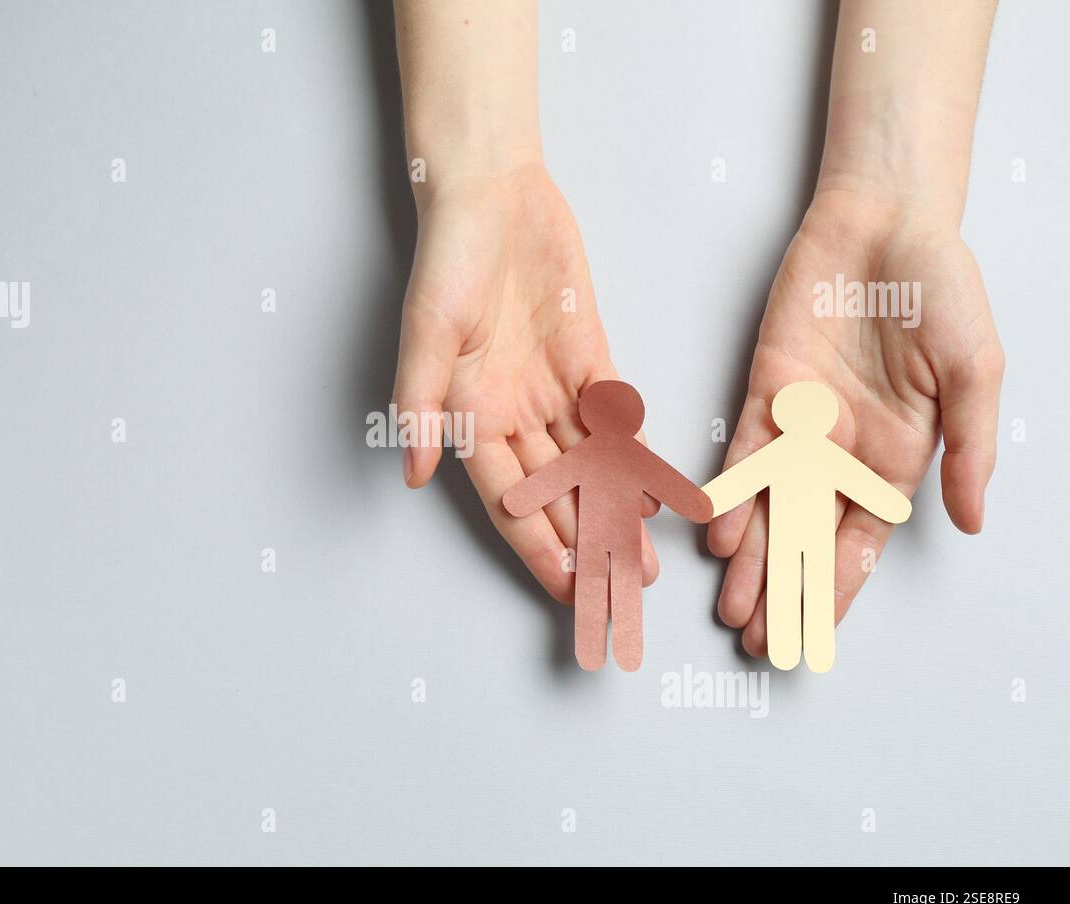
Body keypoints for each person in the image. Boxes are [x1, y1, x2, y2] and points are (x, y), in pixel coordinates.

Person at [390, 1, 1004, 661]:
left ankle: (616, 649)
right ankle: (621, 648)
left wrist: (896, 193)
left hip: (631, 515)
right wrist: (479, 169)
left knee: (624, 579)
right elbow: (680, 486)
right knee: (630, 576)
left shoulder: (618, 449)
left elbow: (683, 487)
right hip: (649, 515)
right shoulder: (622, 451)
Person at [701, 382, 911, 672]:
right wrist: (894, 506)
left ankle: (797, 648)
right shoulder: (819, 454)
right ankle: (808, 648)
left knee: (788, 583)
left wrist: (701, 501)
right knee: (814, 587)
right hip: (808, 535)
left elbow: (738, 483)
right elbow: (869, 487)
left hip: (792, 534)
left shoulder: (788, 452)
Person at [503, 381, 712, 671]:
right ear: (636, 418)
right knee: (622, 587)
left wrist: (519, 499)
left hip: (594, 535)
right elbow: (677, 490)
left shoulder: (592, 452)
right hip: (617, 534)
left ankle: (601, 650)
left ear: (588, 415)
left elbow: (543, 484)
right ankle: (623, 652)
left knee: (594, 585)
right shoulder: (629, 454)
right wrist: (699, 505)